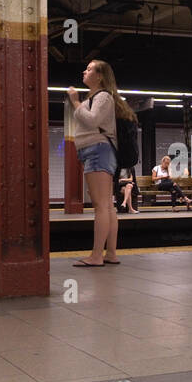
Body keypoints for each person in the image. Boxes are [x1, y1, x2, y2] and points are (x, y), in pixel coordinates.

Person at [68, 59, 136, 266]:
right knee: (107, 206)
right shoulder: (103, 97)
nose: (84, 71)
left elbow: (92, 120)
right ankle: (111, 253)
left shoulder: (103, 96)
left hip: (97, 151)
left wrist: (76, 102)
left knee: (100, 206)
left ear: (100, 76)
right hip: (101, 151)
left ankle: (96, 255)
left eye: (89, 69)